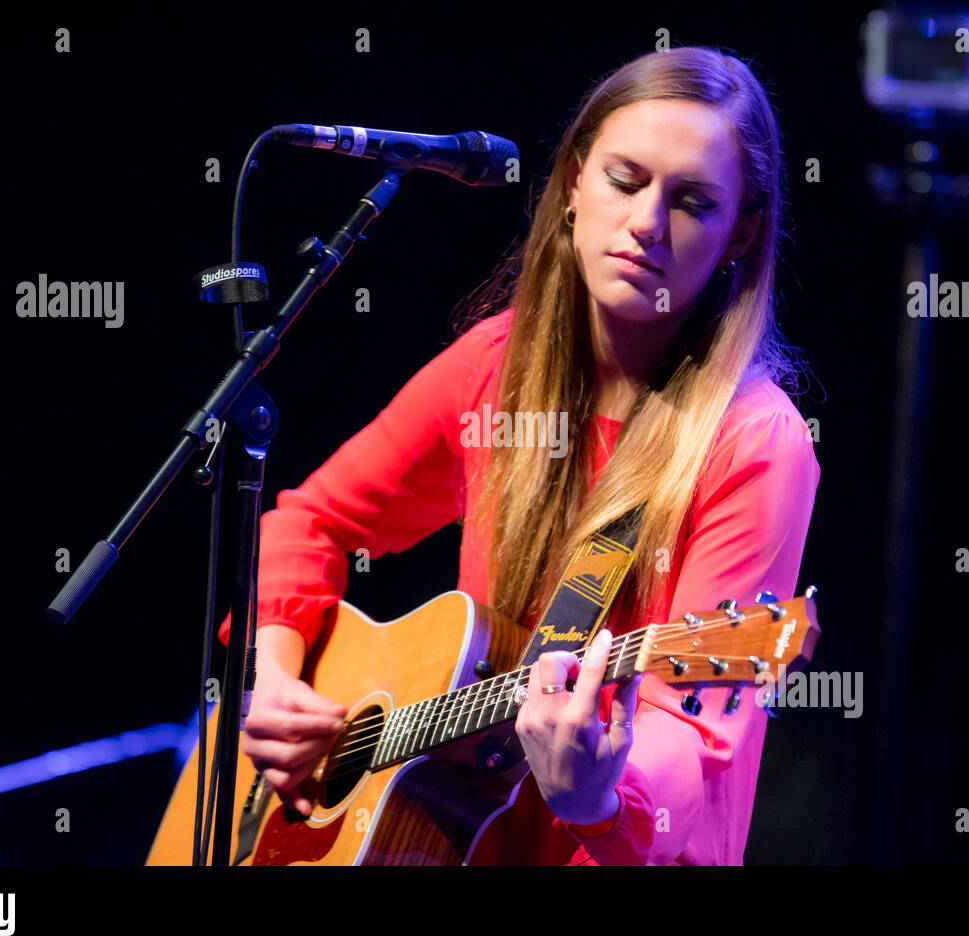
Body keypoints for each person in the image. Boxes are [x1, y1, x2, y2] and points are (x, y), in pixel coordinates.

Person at [218, 45, 820, 865]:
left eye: (692, 201)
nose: (647, 222)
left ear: (741, 233)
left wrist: (600, 795)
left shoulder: (753, 439)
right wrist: (279, 680)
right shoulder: (496, 368)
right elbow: (311, 523)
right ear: (573, 183)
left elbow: (693, 733)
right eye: (624, 179)